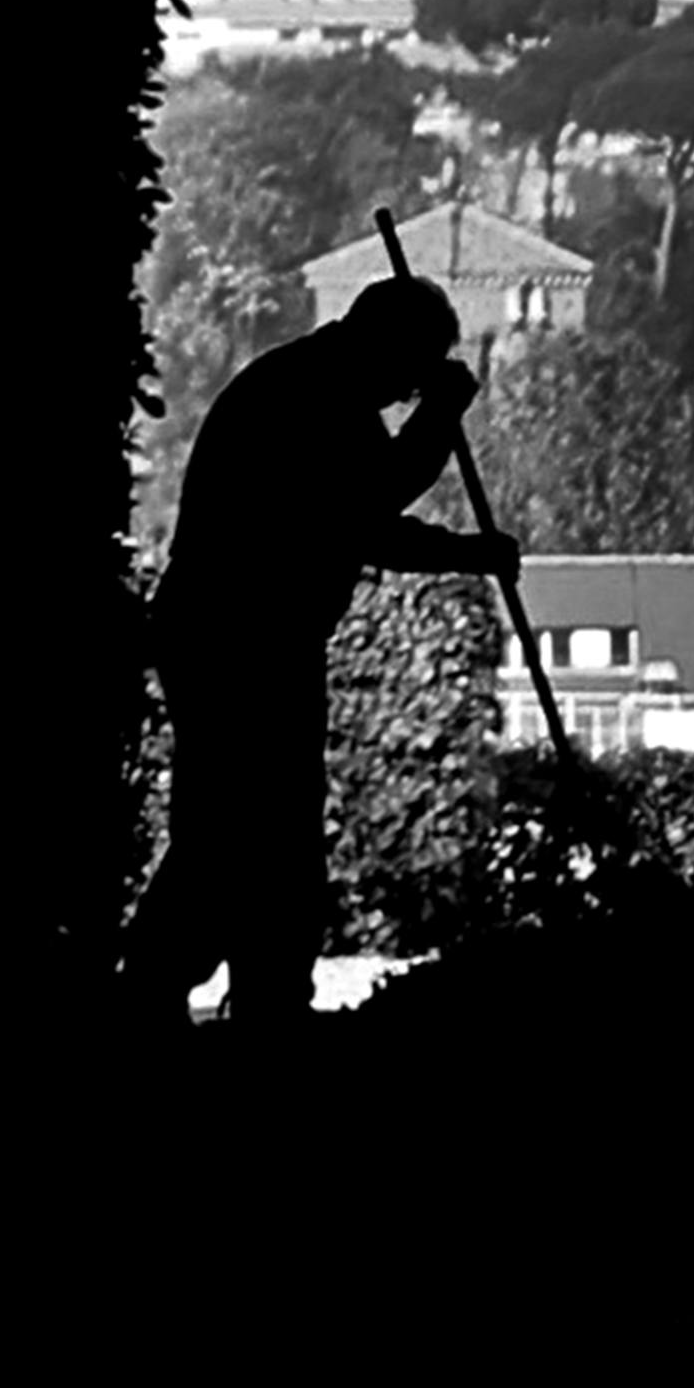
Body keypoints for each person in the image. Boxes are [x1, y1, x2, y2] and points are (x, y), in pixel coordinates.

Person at [123, 274, 518, 1028]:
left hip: (235, 632)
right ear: (390, 347)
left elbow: (358, 515)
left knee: (250, 821)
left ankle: (232, 988)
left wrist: (466, 549)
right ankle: (193, 986)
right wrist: (439, 418)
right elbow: (373, 504)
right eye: (413, 372)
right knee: (249, 822)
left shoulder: (309, 383)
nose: (409, 389)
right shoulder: (317, 397)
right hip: (243, 637)